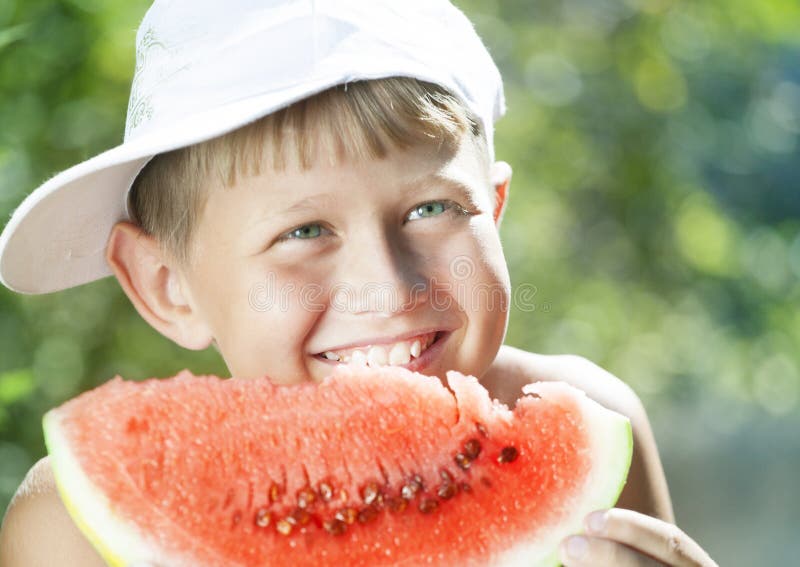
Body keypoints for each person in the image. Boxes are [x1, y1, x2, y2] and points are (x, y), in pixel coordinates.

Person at [0, 1, 718, 565]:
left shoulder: (596, 429)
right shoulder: (69, 532)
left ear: (493, 211)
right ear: (167, 285)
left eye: (433, 208)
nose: (388, 287)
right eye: (303, 232)